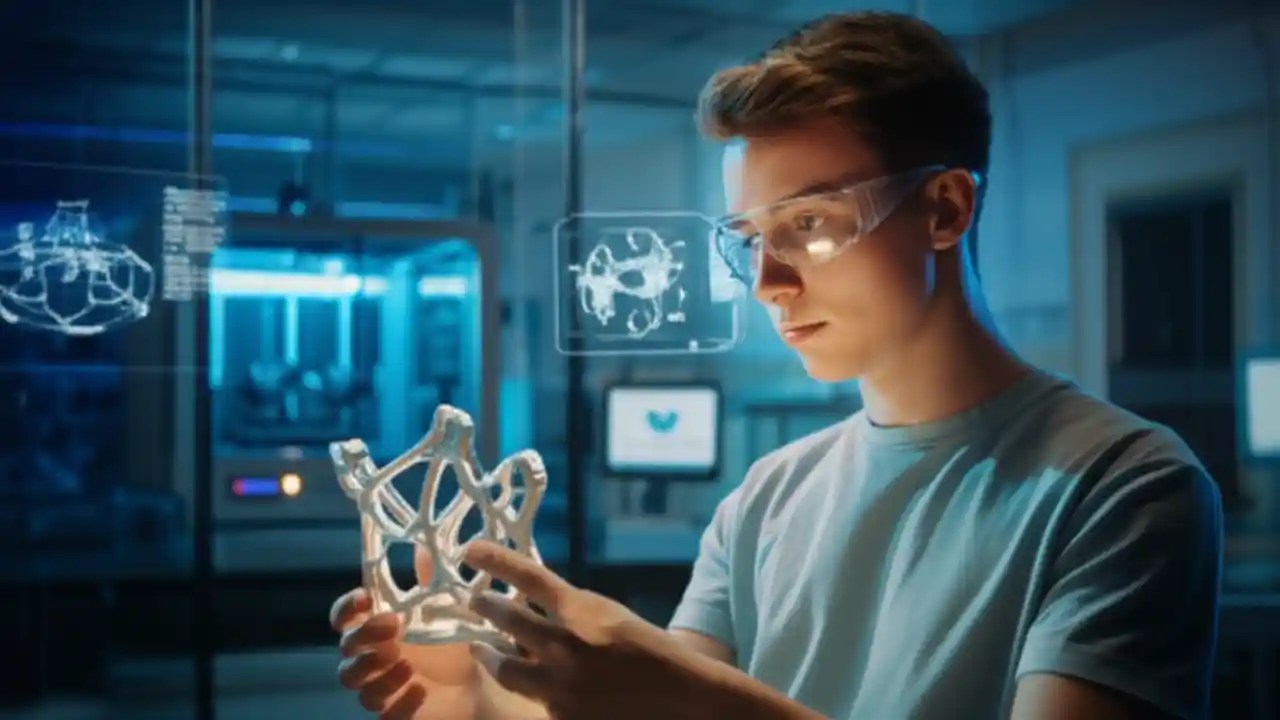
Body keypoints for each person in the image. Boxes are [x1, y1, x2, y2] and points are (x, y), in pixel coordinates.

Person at [330, 11, 1223, 720]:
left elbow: (690, 705)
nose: (767, 282)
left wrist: (687, 699)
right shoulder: (768, 497)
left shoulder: (1124, 490)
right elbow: (661, 713)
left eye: (812, 223)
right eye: (749, 238)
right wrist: (472, 700)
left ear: (944, 210)